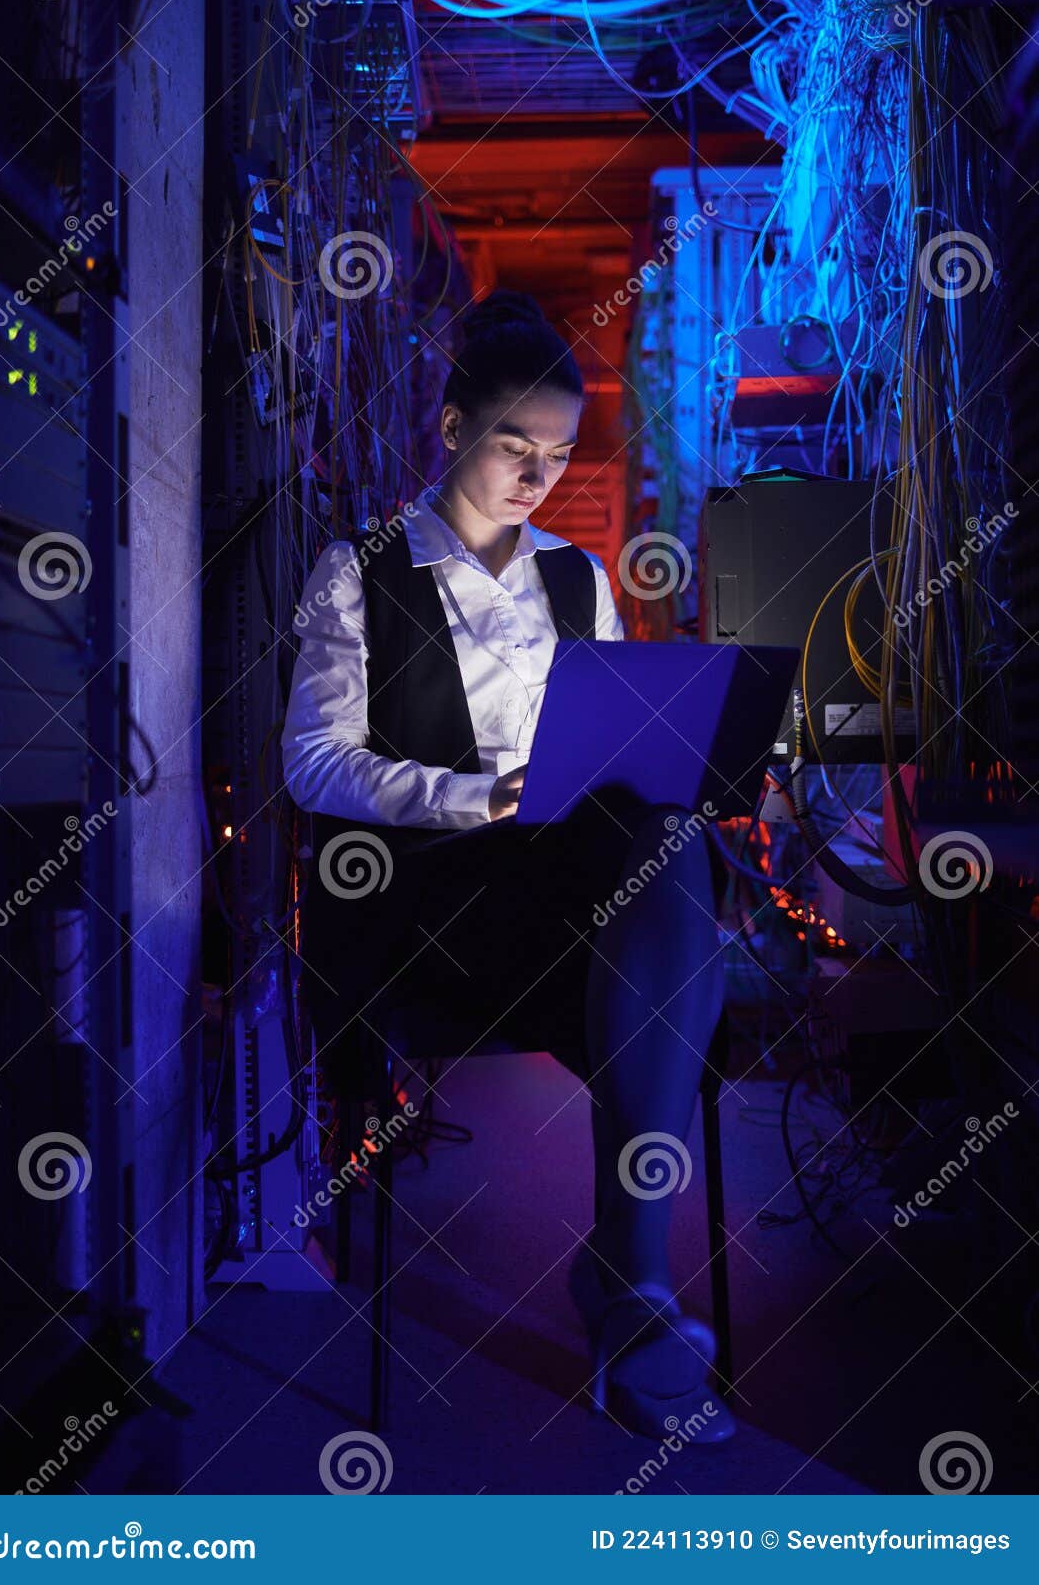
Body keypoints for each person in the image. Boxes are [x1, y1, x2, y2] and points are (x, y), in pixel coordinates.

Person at [280, 290, 733, 1443]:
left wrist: (688, 760)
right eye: (512, 448)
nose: (536, 477)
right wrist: (474, 795)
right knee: (660, 941)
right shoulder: (357, 570)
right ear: (448, 430)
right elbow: (313, 763)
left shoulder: (577, 576)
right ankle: (629, 1294)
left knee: (669, 839)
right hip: (426, 899)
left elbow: (624, 738)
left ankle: (628, 1278)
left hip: (565, 897)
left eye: (558, 455)